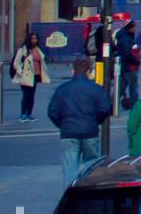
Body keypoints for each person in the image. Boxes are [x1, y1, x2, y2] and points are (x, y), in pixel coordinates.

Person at [47, 58, 111, 187]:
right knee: (91, 166)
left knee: (70, 169)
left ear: (72, 71)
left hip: (69, 131)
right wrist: (95, 121)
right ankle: (89, 195)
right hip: (90, 131)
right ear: (89, 72)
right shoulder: (96, 89)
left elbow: (52, 111)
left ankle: (70, 198)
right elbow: (105, 108)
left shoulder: (62, 89)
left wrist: (62, 124)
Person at [11, 31, 50, 123]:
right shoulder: (23, 49)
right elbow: (16, 63)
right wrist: (20, 71)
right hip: (25, 75)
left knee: (32, 95)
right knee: (26, 95)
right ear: (29, 39)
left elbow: (41, 60)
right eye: (32, 38)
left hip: (35, 75)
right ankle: (23, 114)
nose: (34, 40)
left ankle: (29, 114)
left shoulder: (37, 49)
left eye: (35, 38)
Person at [115, 20, 141, 109]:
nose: (135, 28)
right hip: (129, 67)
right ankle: (135, 106)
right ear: (130, 27)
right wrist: (136, 61)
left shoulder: (123, 37)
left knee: (120, 88)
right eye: (134, 27)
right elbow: (128, 53)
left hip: (124, 66)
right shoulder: (126, 39)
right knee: (133, 87)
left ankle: (112, 103)